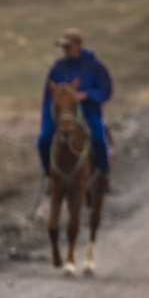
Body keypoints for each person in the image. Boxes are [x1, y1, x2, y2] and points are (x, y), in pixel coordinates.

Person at [38, 27, 113, 193]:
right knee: (43, 140)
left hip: (88, 110)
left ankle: (103, 175)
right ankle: (50, 177)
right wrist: (49, 118)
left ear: (79, 45)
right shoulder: (57, 68)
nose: (65, 50)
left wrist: (86, 95)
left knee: (99, 139)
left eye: (68, 46)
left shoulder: (95, 65)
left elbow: (106, 90)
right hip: (62, 114)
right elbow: (48, 97)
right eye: (63, 47)